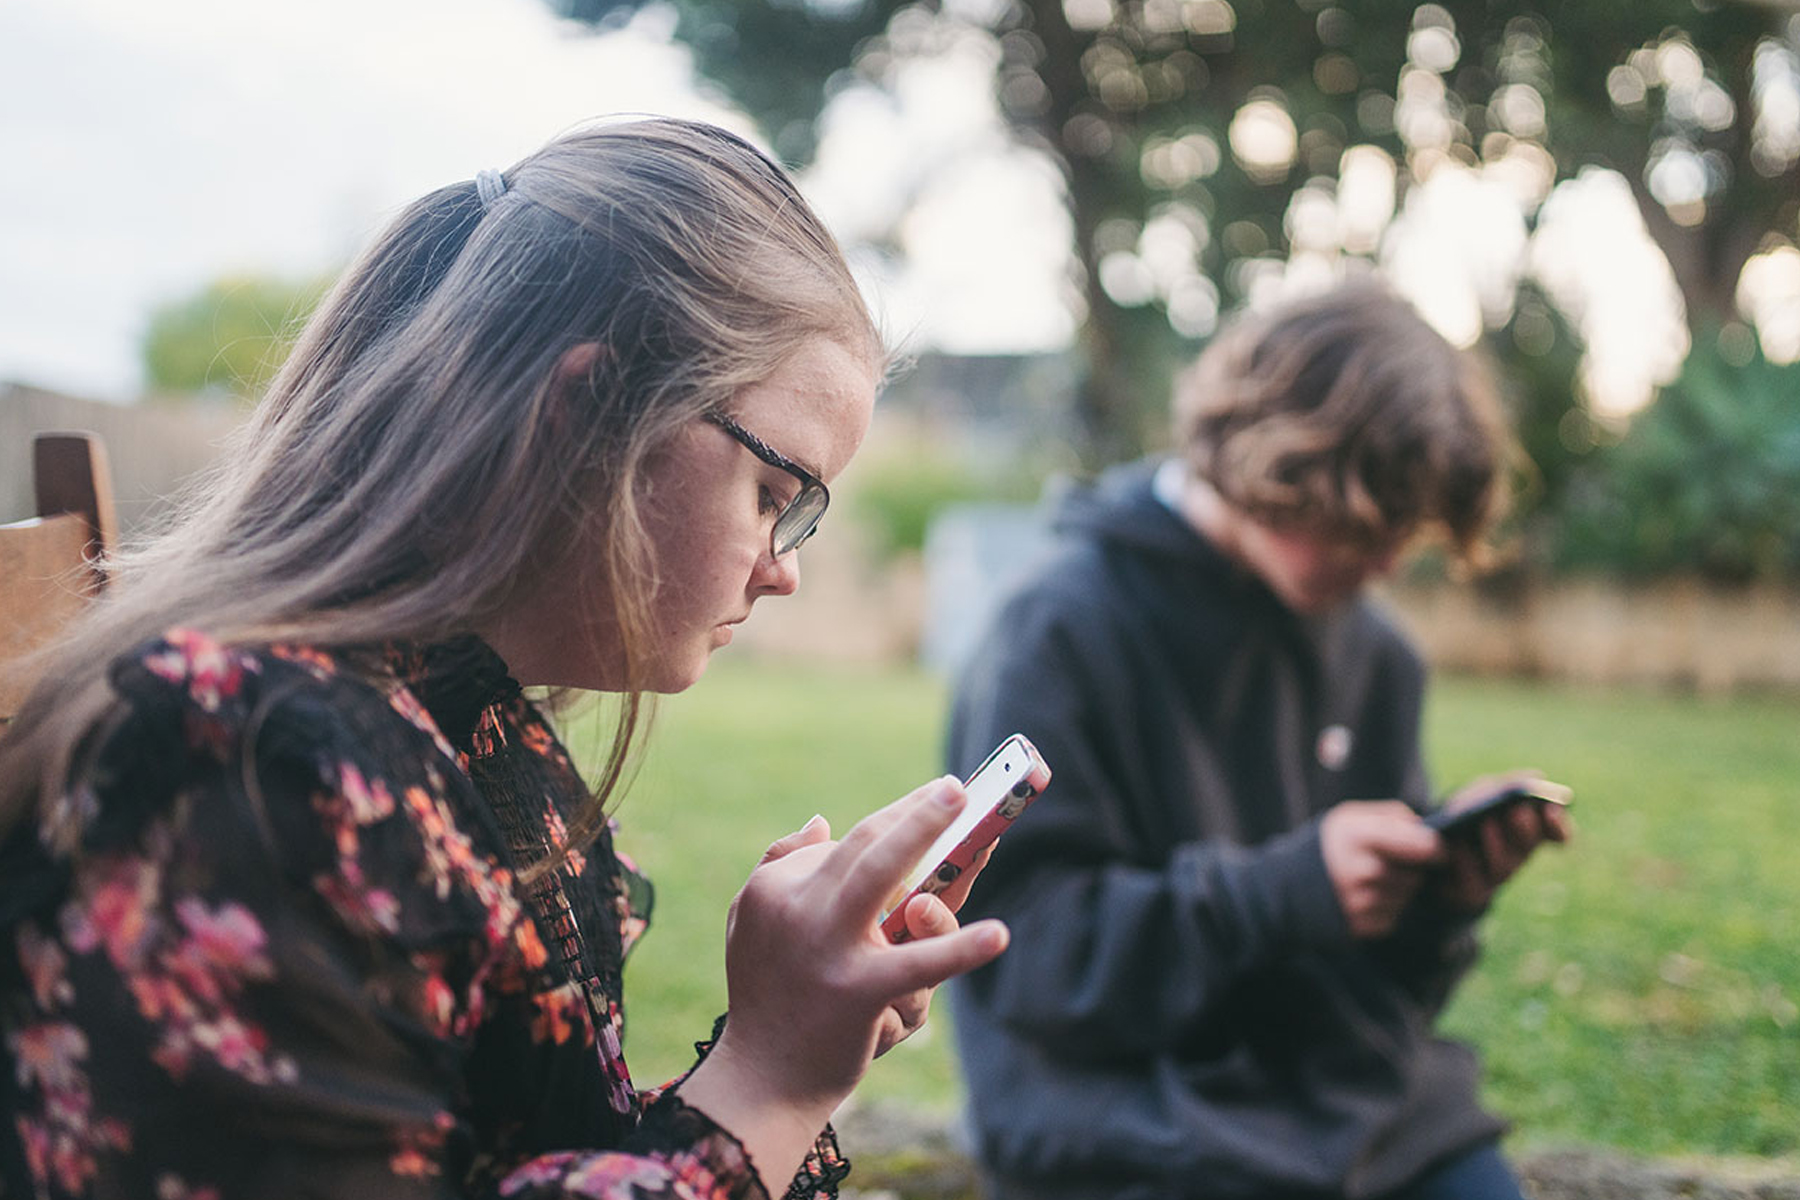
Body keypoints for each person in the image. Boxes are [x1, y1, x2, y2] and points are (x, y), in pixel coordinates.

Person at [0, 118, 1010, 1200]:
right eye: (774, 495)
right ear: (582, 413)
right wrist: (767, 1080)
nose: (783, 570)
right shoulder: (241, 773)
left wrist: (795, 1034)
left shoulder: (442, 725)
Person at [944, 282, 1571, 1200]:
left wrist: (1437, 901)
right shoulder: (1060, 627)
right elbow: (1020, 955)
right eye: (1373, 524)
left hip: (1352, 1106)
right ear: (1275, 466)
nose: (1393, 561)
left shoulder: (1379, 653)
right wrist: (1286, 892)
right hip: (1125, 1122)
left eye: (1412, 529)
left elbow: (1381, 991)